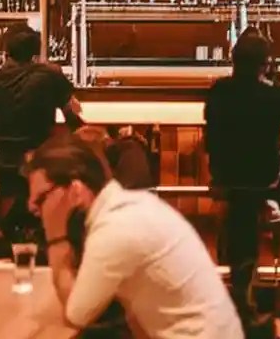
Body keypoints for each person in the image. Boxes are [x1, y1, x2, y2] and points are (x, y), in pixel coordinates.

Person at [27, 133, 243, 338]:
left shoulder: (113, 229)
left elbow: (76, 315)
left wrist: (56, 235)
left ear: (75, 190)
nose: (31, 207)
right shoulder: (130, 206)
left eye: (40, 199)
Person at [204, 31, 280, 325]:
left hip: (225, 174)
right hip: (261, 175)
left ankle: (241, 287)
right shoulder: (271, 93)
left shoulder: (219, 91)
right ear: (265, 64)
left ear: (233, 60)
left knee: (242, 219)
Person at [0, 26, 84, 245]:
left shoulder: (0, 76)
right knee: (71, 175)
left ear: (8, 52)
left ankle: (7, 232)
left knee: (20, 191)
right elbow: (72, 112)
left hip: (0, 158)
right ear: (35, 51)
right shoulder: (51, 74)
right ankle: (52, 237)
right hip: (37, 159)